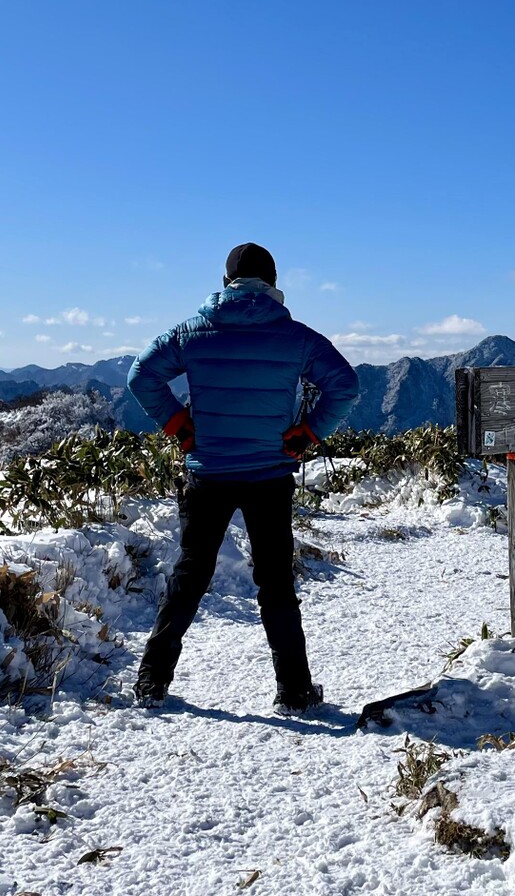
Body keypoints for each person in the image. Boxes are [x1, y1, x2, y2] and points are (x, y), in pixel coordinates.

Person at [126, 242, 360, 714]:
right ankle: (294, 690)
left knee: (190, 574)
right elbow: (345, 385)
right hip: (269, 473)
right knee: (275, 583)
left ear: (226, 280)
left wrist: (178, 425)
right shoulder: (296, 337)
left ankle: (152, 680)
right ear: (272, 283)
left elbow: (140, 377)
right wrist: (308, 432)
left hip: (208, 471)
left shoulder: (193, 331)